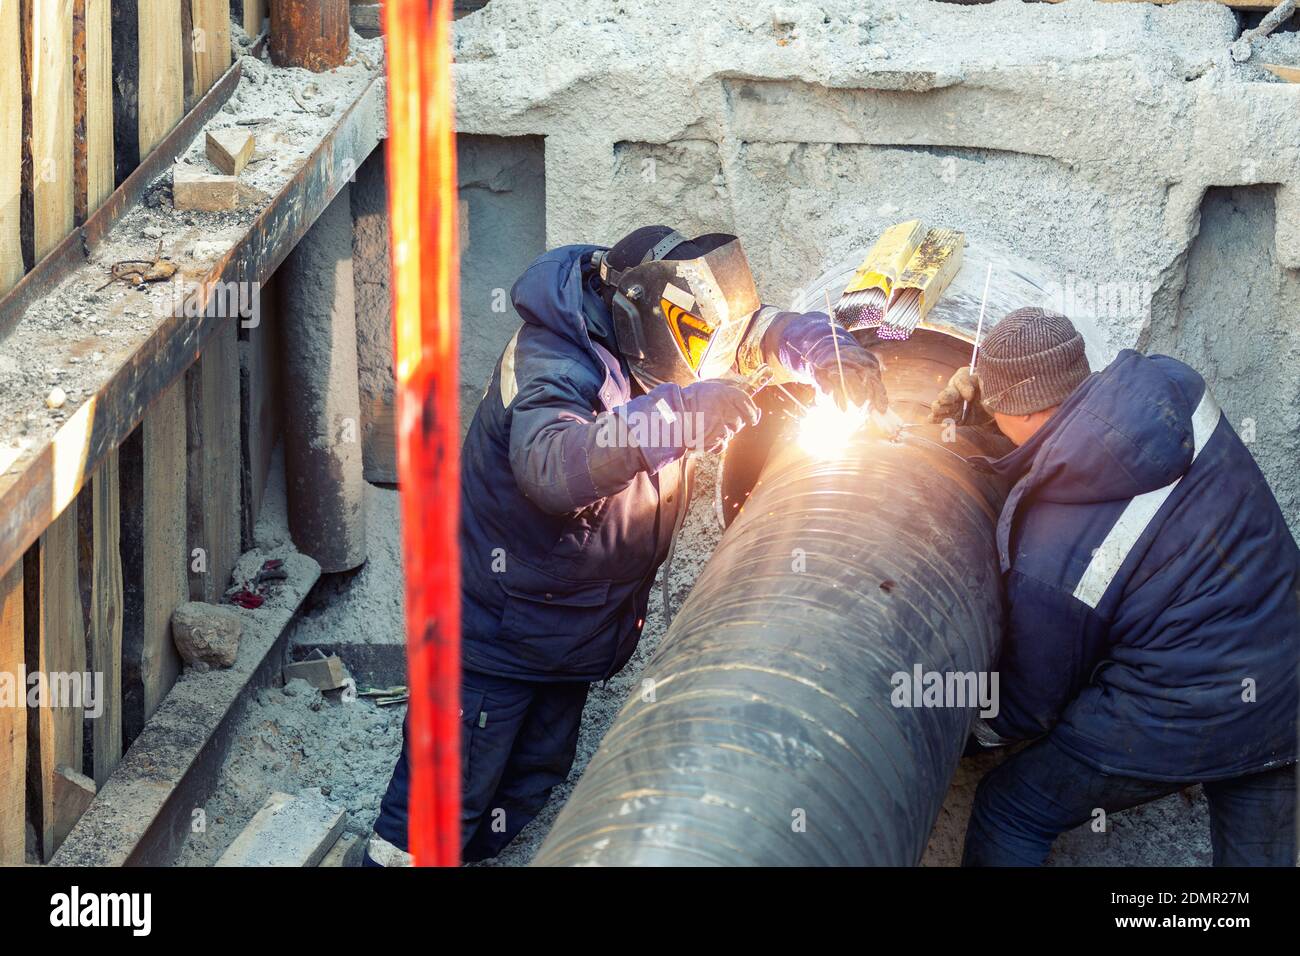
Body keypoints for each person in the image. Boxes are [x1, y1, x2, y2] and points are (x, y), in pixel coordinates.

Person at [365, 226, 889, 865]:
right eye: (704, 348)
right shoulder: (555, 363)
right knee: (441, 808)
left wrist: (827, 351)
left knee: (531, 781)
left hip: (572, 633)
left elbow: (758, 333)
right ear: (649, 322)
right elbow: (553, 468)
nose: (718, 359)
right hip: (495, 633)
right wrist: (679, 414)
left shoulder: (665, 327)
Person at [929, 306, 1299, 867]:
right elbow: (1081, 443)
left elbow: (1030, 706)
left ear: (1010, 405)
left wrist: (962, 729)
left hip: (1185, 705)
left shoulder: (1055, 552)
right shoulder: (1174, 384)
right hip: (1286, 678)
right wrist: (986, 421)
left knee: (1013, 809)